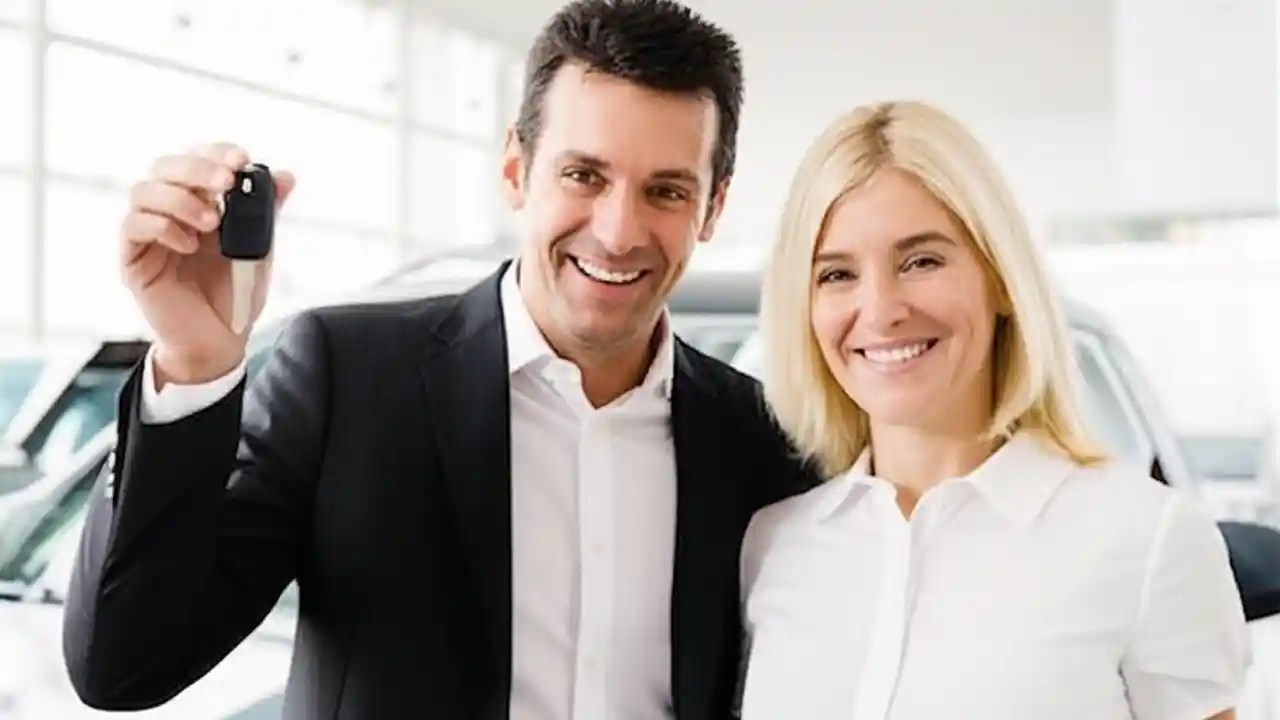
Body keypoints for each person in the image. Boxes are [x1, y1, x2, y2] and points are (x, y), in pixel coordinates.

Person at [61, 1, 816, 717]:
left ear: (713, 207)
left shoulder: (758, 440)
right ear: (516, 171)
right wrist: (194, 364)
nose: (618, 231)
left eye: (666, 190)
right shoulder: (349, 379)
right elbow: (124, 666)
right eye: (583, 175)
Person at [735, 101, 1250, 719]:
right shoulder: (774, 545)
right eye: (837, 274)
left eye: (920, 261)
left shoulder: (1145, 538)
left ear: (1001, 278)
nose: (879, 310)